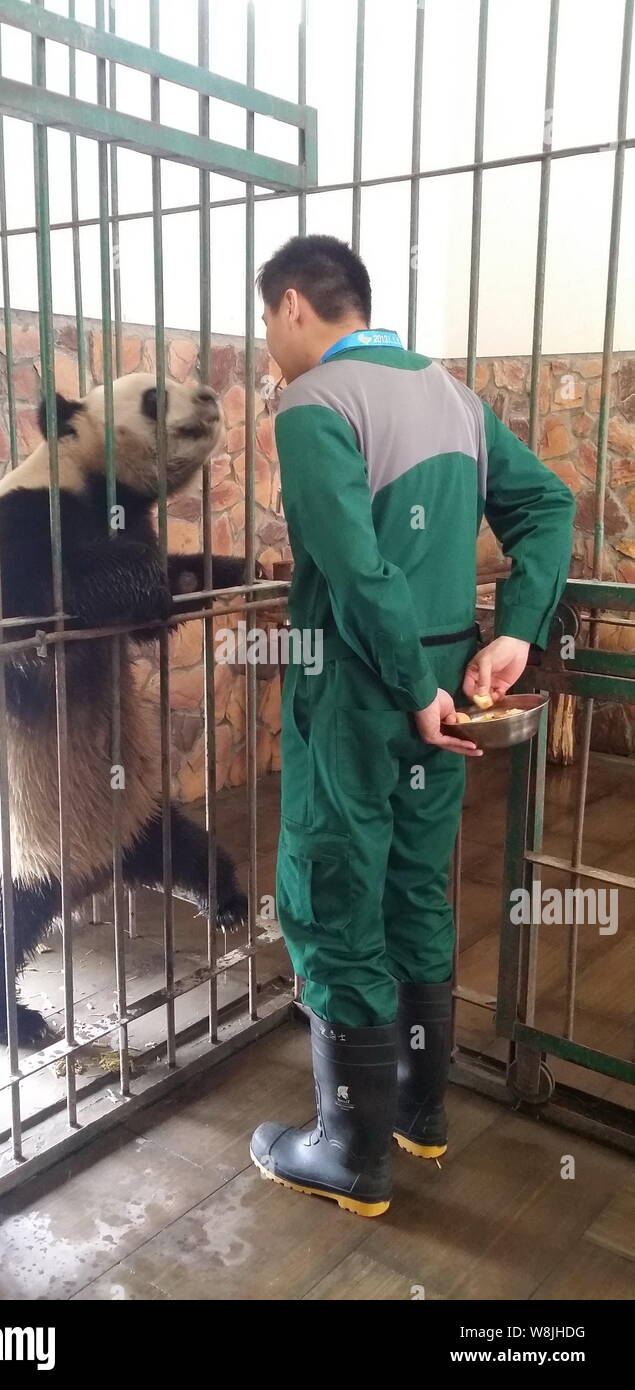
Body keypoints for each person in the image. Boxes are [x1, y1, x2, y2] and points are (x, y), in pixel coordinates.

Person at [249, 234, 576, 1218]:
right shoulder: (452, 397)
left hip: (360, 691)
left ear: (296, 306)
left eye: (267, 321)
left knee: (330, 902)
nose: (268, 342)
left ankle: (347, 1152)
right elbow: (546, 506)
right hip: (449, 689)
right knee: (412, 896)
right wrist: (513, 634)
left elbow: (349, 566)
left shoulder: (311, 405)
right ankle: (419, 1116)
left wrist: (401, 681)